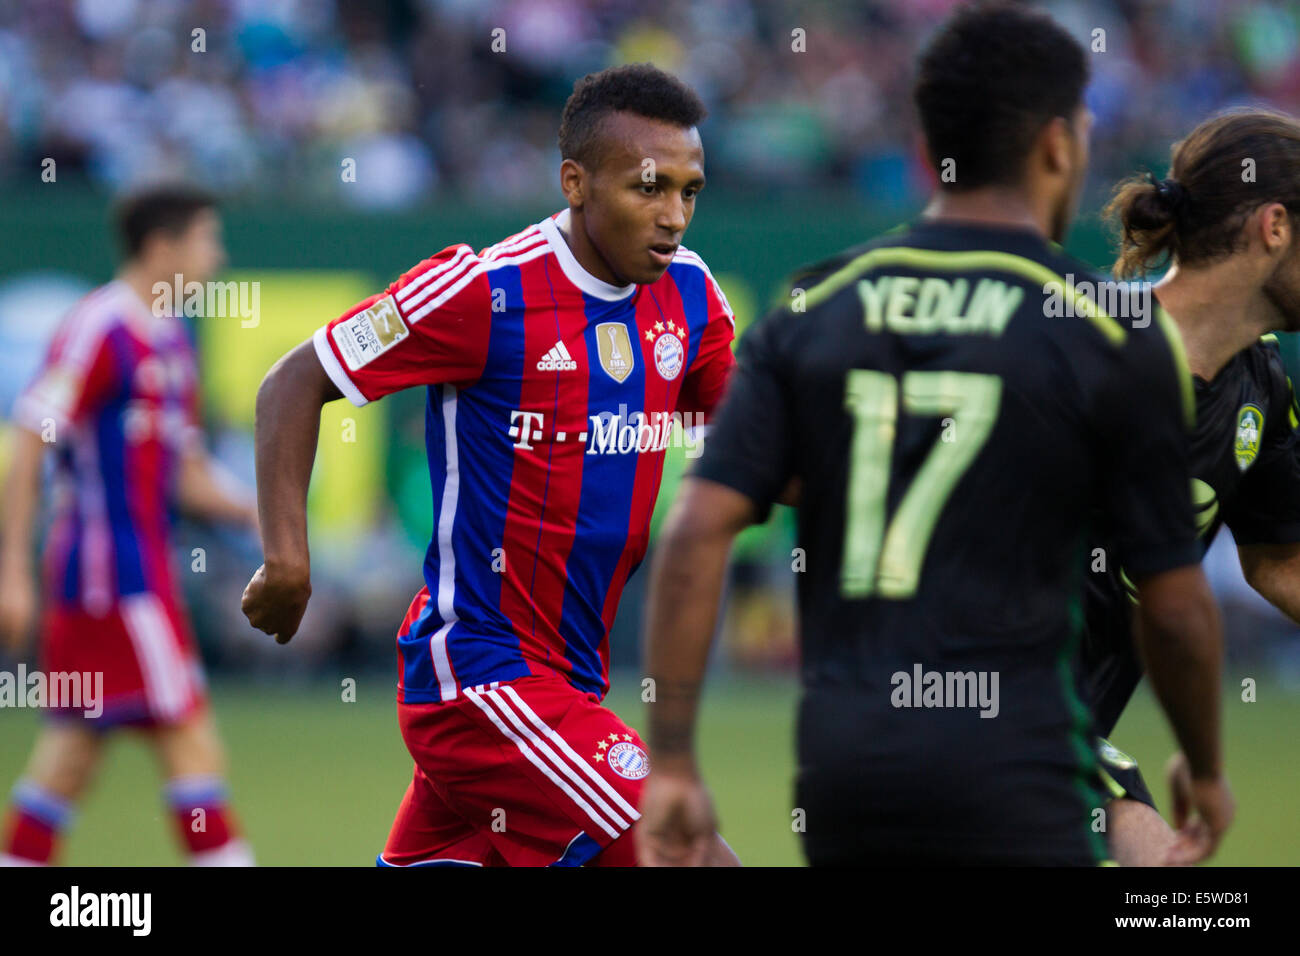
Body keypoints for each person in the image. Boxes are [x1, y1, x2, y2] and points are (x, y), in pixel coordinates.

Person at [636, 1, 1232, 867]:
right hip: (1019, 771)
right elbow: (1174, 605)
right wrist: (1207, 767)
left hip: (847, 773)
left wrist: (677, 759)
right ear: (1059, 146)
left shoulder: (812, 306)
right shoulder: (1110, 331)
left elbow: (693, 533)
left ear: (928, 146)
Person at [241, 64, 739, 867]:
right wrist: (288, 560)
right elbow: (292, 382)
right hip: (478, 676)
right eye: (649, 188)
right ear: (576, 182)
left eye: (690, 191)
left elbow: (755, 446)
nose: (674, 216)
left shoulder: (689, 293)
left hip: (565, 684)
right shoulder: (481, 290)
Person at [0, 185, 258, 866]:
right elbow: (32, 438)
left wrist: (262, 511)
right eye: (207, 240)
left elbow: (185, 474)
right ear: (161, 247)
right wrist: (12, 575)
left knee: (69, 757)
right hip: (110, 579)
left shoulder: (169, 340)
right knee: (192, 743)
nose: (217, 258)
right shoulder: (99, 327)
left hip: (139, 576)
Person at [1086, 107, 1300, 865]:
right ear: (1274, 226)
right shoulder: (1085, 346)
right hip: (971, 709)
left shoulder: (1259, 384)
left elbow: (1281, 560)